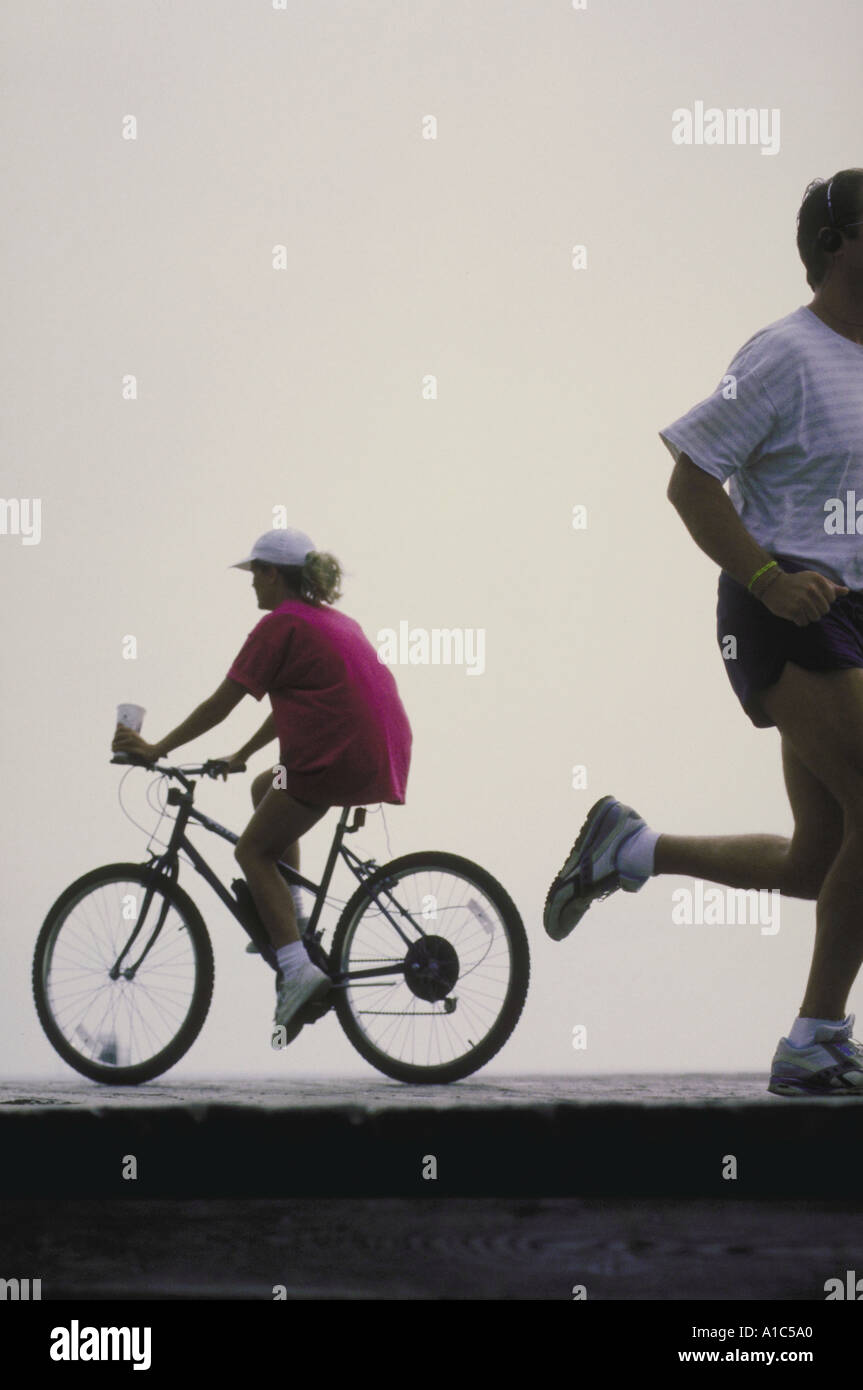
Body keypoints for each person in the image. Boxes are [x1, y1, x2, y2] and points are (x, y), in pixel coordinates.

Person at [544, 168, 863, 1097]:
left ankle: (632, 849)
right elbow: (690, 481)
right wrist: (766, 580)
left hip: (852, 612)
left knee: (821, 858)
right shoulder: (781, 354)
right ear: (838, 243)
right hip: (784, 611)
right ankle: (814, 1038)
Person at [111, 527, 412, 1037]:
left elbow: (219, 704)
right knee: (263, 788)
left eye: (255, 574)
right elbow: (296, 700)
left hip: (337, 756)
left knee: (251, 853)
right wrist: (243, 755)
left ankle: (296, 969)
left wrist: (157, 749)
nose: (252, 585)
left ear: (274, 574)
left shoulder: (279, 626)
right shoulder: (329, 621)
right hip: (374, 749)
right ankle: (291, 922)